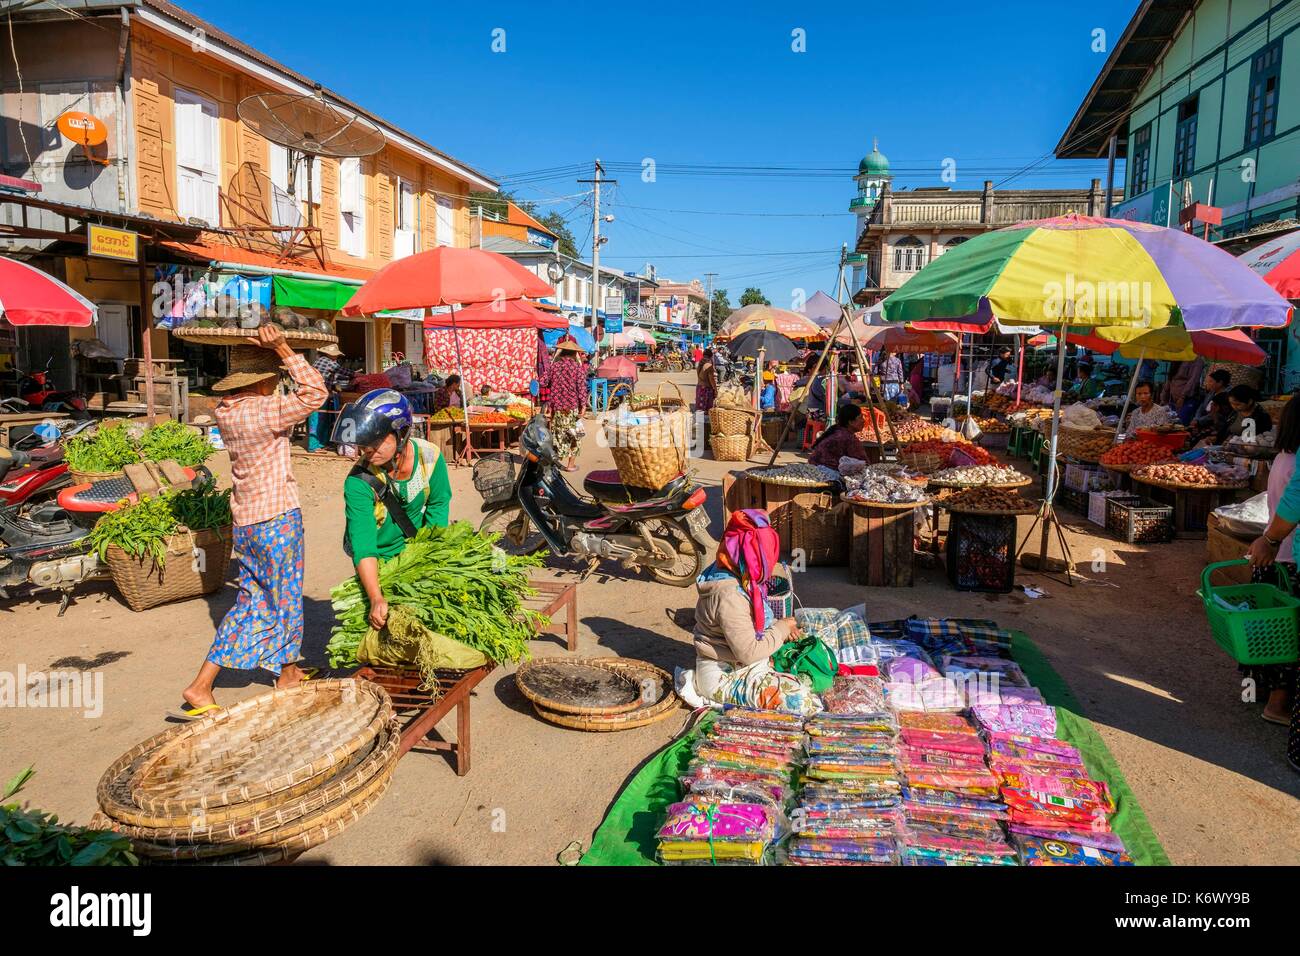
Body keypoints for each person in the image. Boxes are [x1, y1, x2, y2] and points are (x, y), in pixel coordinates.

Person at [178, 325, 327, 719]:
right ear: (265, 382)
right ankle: (273, 677)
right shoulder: (265, 410)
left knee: (254, 600)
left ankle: (266, 674)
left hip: (247, 522)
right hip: (276, 519)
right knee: (285, 601)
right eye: (275, 379)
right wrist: (284, 349)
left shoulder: (227, 412)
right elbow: (316, 392)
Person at [676, 509, 814, 714]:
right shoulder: (730, 596)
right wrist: (782, 628)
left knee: (808, 661)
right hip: (724, 676)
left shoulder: (732, 567)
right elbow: (749, 653)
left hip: (739, 660)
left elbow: (756, 621)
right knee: (801, 699)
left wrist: (782, 627)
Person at [336, 390, 453, 630]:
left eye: (375, 439)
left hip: (416, 548)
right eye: (364, 441)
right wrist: (376, 597)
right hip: (378, 560)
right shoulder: (358, 482)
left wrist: (428, 559)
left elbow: (438, 506)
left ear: (400, 433)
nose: (366, 448)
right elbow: (364, 546)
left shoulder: (430, 456)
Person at [1245, 397, 1300, 773]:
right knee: (1287, 638)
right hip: (1286, 556)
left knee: (1266, 631)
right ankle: (1276, 704)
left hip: (1273, 551)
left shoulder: (1282, 456)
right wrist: (1273, 539)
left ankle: (1257, 691)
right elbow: (1292, 508)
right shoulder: (1296, 461)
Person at [541, 338, 588, 472]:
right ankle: (570, 465)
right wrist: (583, 407)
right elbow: (582, 389)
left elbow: (543, 382)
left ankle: (554, 464)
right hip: (572, 408)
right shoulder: (577, 368)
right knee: (574, 436)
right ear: (574, 354)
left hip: (557, 408)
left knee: (557, 435)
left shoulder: (554, 366)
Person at [307, 343, 353, 452]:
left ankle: (321, 443)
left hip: (317, 393)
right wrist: (356, 375)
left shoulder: (319, 361)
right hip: (317, 394)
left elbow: (333, 376)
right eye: (335, 354)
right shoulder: (328, 362)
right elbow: (343, 371)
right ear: (328, 354)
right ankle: (313, 446)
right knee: (317, 419)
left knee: (321, 418)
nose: (336, 356)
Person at [808, 402, 870, 468]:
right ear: (851, 422)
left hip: (814, 467)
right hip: (825, 472)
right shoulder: (848, 438)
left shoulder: (837, 430)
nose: (863, 421)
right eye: (860, 418)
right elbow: (864, 463)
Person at [1192, 369, 1233, 434]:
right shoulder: (1212, 392)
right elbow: (1202, 406)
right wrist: (1196, 419)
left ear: (1220, 383)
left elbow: (1215, 414)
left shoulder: (1226, 396)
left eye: (1211, 381)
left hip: (1214, 425)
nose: (1208, 384)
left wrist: (1199, 421)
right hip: (1201, 421)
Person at [695, 348, 718, 414]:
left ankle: (700, 423)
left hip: (700, 387)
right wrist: (715, 389)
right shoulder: (708, 365)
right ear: (711, 356)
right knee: (707, 410)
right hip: (706, 389)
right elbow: (711, 379)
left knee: (700, 409)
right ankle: (705, 424)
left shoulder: (700, 363)